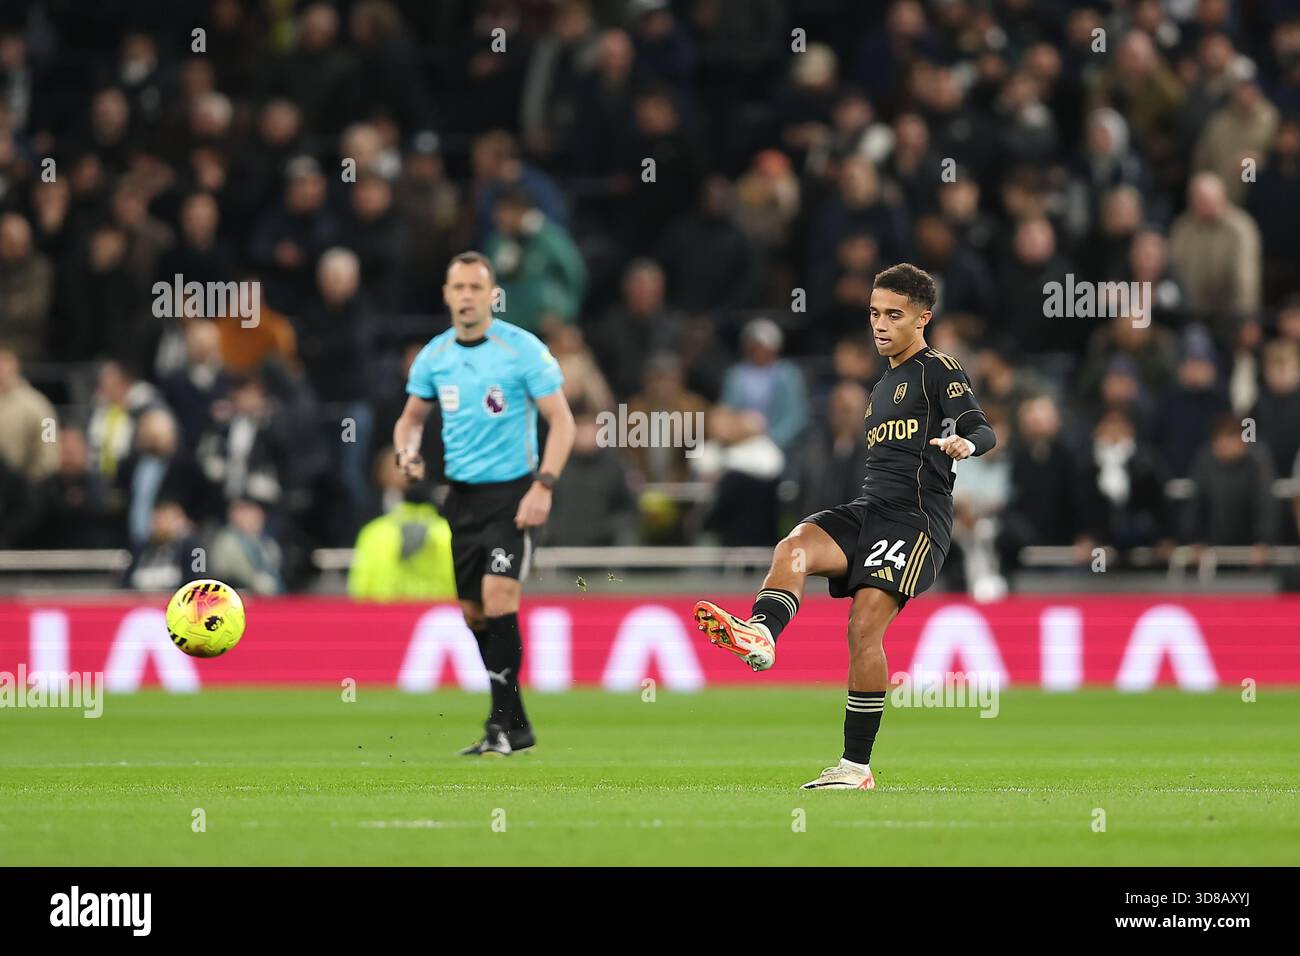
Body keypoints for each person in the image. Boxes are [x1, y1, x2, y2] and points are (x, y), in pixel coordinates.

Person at [693, 263, 997, 790]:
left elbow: (980, 427)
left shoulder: (938, 368)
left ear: (923, 318)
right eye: (874, 313)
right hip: (869, 510)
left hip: (916, 520)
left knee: (862, 626)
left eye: (894, 315)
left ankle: (856, 768)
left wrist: (965, 444)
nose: (880, 324)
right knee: (795, 546)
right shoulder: (880, 386)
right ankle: (762, 635)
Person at [393, 251, 575, 757]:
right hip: (464, 498)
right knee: (475, 614)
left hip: (514, 494)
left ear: (491, 294)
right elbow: (410, 419)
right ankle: (514, 723)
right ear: (447, 295)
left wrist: (544, 485)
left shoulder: (522, 350)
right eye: (459, 288)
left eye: (477, 287)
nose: (468, 296)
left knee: (499, 598)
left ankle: (500, 724)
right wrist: (406, 453)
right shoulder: (435, 356)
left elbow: (562, 421)